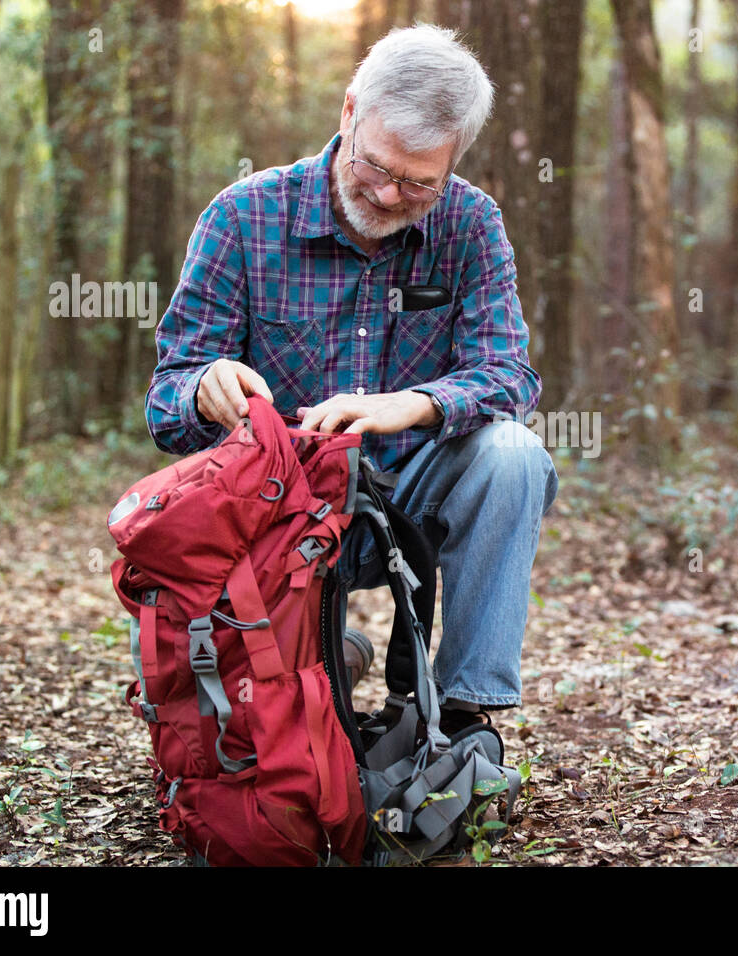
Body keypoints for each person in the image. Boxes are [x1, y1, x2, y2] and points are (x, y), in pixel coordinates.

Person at [145, 23, 558, 736]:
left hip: (412, 502)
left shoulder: (471, 224)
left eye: (420, 182)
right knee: (208, 705)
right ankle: (329, 652)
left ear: (454, 159)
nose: (393, 197)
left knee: (514, 454)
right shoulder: (242, 217)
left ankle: (466, 718)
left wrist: (416, 404)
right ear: (348, 111)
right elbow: (166, 404)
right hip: (278, 516)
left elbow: (509, 375)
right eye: (378, 168)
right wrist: (204, 383)